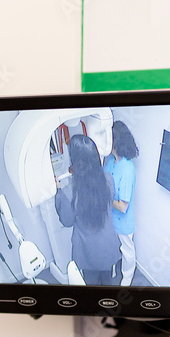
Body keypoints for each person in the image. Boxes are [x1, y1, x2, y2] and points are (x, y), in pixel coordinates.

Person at [55, 134, 121, 285]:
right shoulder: (108, 179)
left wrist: (58, 191)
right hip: (107, 246)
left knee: (89, 287)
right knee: (108, 284)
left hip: (87, 251)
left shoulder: (69, 191)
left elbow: (66, 221)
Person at [104, 120, 139, 286]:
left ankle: (128, 276)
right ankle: (111, 267)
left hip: (122, 221)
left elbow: (123, 206)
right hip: (109, 217)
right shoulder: (110, 160)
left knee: (127, 250)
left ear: (115, 143)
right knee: (111, 245)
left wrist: (104, 198)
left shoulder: (127, 169)